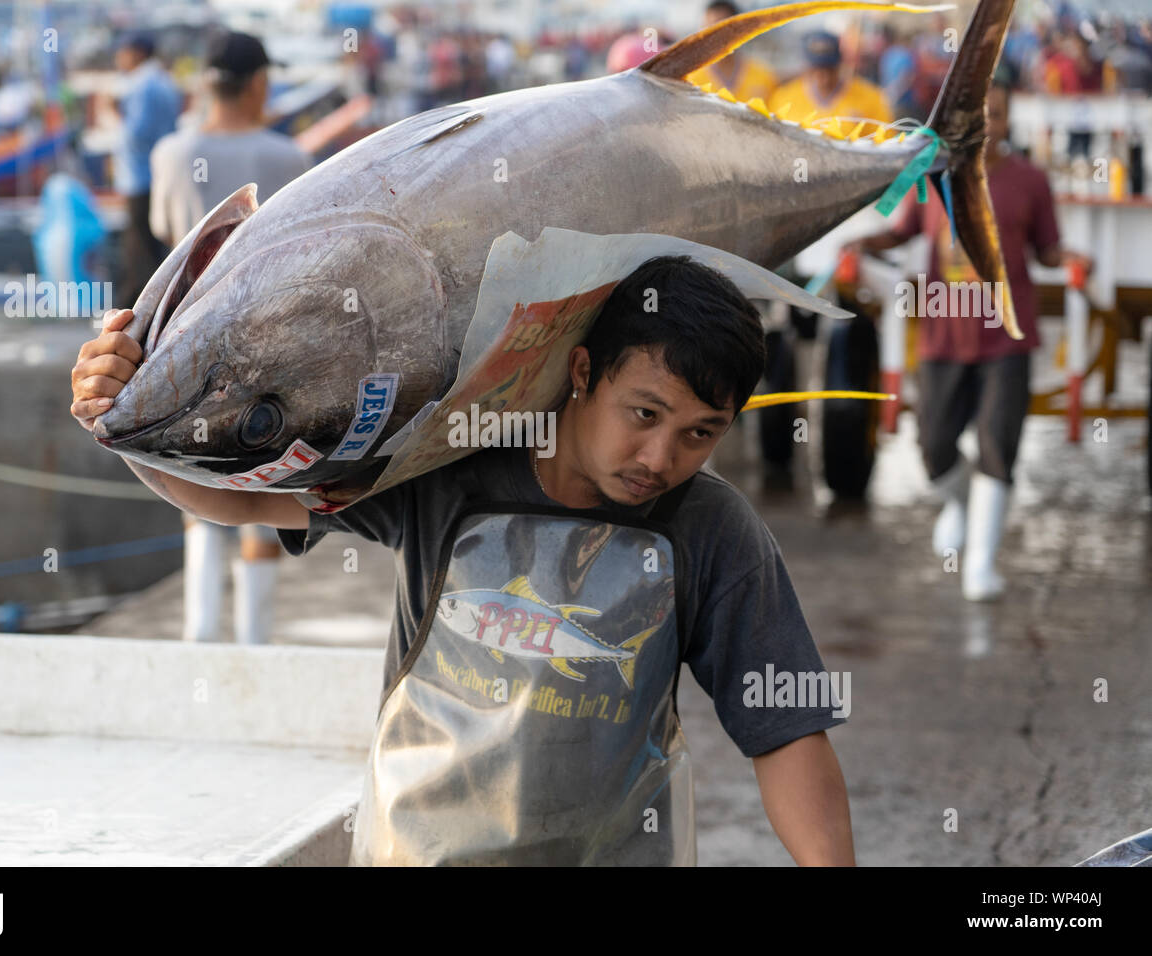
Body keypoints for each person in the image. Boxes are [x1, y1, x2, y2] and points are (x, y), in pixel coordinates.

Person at [69, 256, 854, 866]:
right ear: (582, 374)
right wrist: (120, 420)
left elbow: (784, 732)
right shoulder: (450, 467)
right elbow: (241, 501)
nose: (660, 456)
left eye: (700, 433)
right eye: (643, 415)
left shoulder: (712, 528)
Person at [848, 79, 1070, 602]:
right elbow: (901, 232)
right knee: (933, 449)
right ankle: (962, 504)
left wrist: (1074, 260)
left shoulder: (1030, 181)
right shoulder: (931, 176)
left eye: (996, 113)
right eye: (976, 113)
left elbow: (1048, 250)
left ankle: (981, 565)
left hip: (1007, 336)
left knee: (998, 444)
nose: (985, 123)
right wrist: (860, 243)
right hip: (944, 333)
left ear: (1009, 120)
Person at [148, 30, 314, 645]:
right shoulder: (285, 156)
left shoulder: (170, 152)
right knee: (258, 480)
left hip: (182, 343)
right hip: (265, 345)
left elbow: (167, 233)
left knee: (192, 472)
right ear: (260, 84)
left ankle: (199, 635)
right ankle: (254, 642)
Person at [110, 32, 182, 307]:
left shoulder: (141, 85)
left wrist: (114, 114)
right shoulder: (164, 81)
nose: (119, 58)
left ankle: (137, 315)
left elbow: (136, 134)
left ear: (138, 52)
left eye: (123, 51)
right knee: (153, 251)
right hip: (159, 175)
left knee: (139, 255)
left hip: (140, 178)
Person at [770, 30, 893, 138]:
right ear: (806, 67)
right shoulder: (784, 99)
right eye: (816, 69)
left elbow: (886, 144)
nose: (824, 77)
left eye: (830, 69)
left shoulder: (871, 97)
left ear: (840, 65)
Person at [684, 1, 778, 103]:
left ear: (739, 30)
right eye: (708, 29)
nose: (713, 37)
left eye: (721, 29)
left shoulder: (763, 77)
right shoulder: (690, 80)